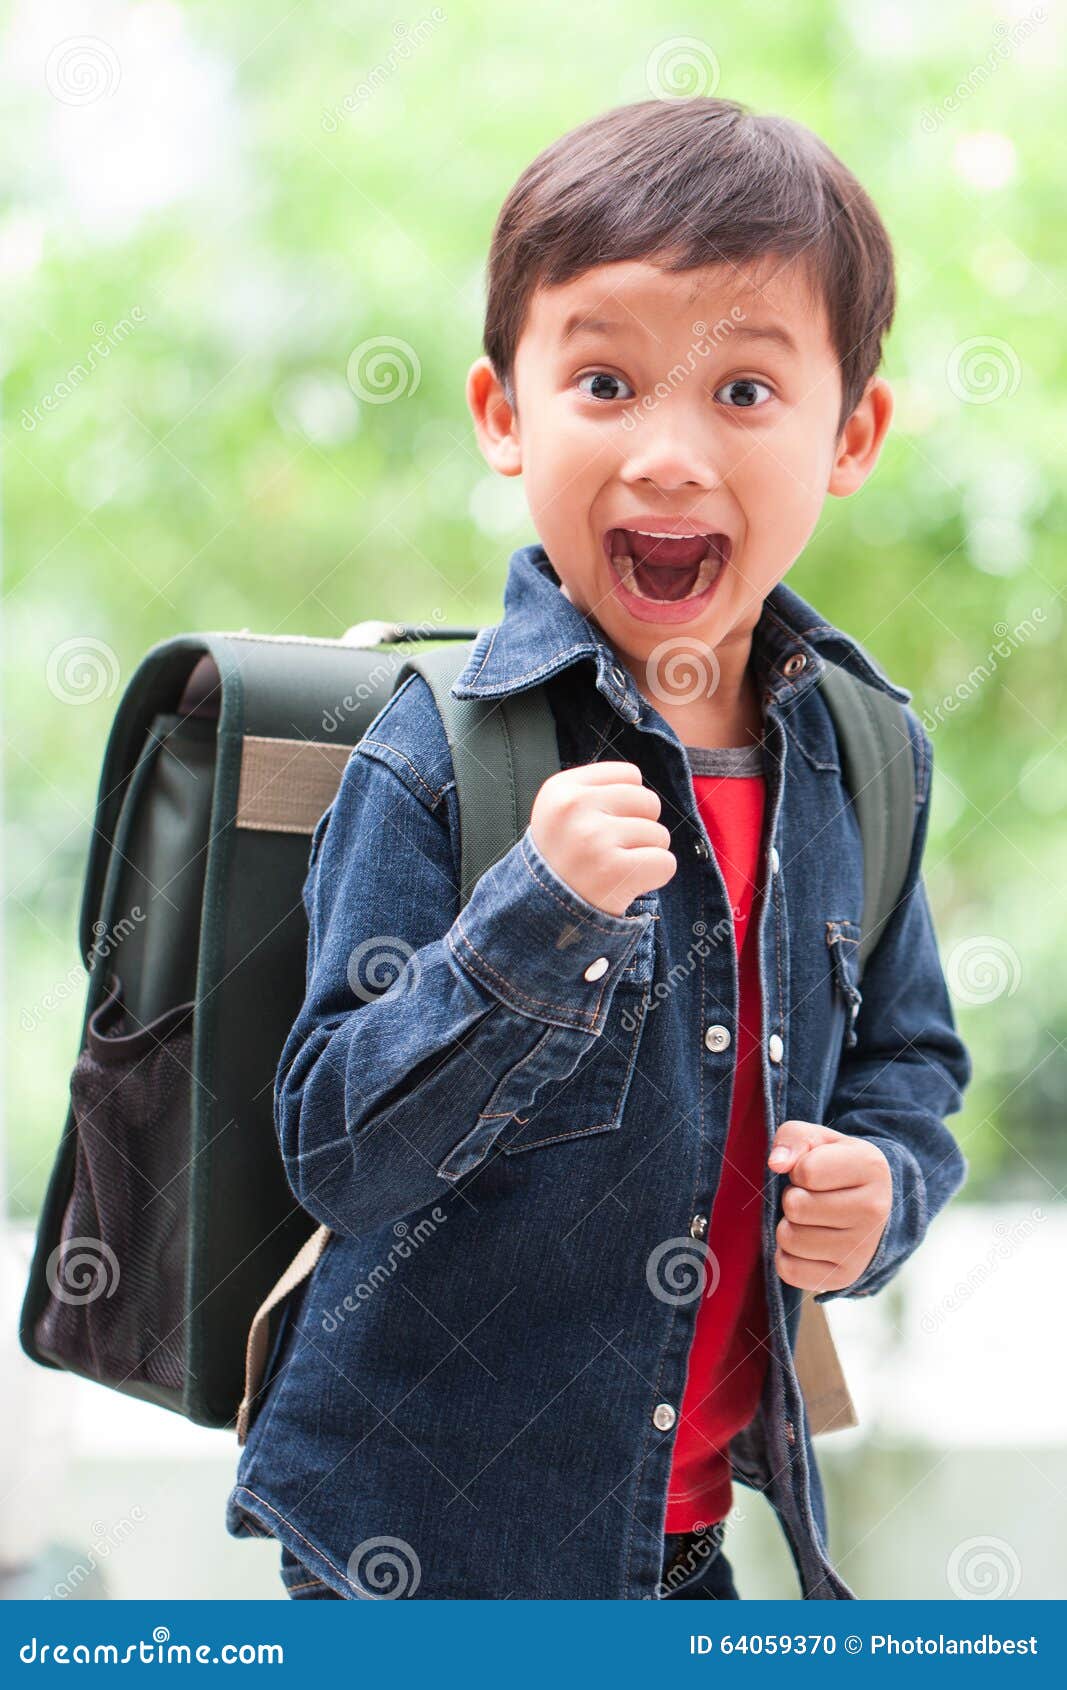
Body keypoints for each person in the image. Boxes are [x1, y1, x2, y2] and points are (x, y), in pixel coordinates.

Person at [226, 95, 971, 1600]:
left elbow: (911, 1063)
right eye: (609, 380)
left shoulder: (865, 757)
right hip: (416, 1558)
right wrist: (528, 925)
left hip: (685, 1535)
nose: (672, 455)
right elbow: (336, 1148)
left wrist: (887, 1181)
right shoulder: (443, 750)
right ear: (507, 414)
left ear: (856, 433)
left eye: (748, 389)